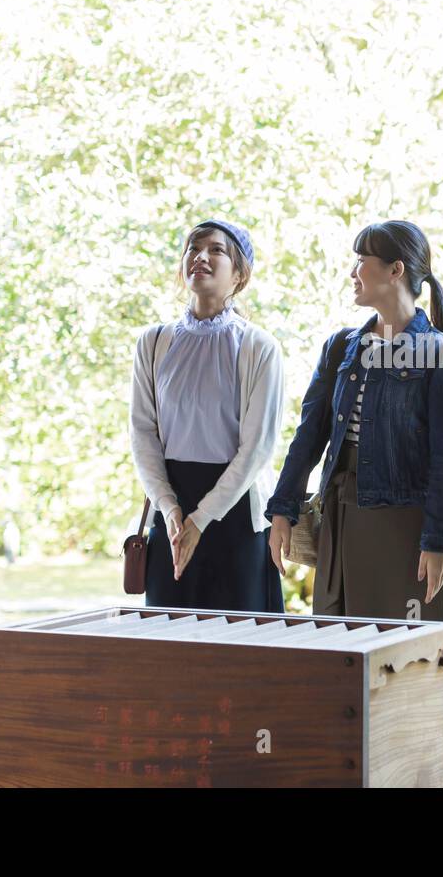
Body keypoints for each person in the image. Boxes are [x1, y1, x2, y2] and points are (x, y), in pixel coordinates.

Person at [265, 220, 443, 622]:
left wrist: (439, 542)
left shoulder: (441, 353)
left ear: (396, 270)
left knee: (405, 656)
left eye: (361, 261)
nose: (352, 272)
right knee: (338, 652)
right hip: (340, 519)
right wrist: (282, 510)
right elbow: (309, 435)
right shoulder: (341, 345)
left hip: (404, 527)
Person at [129, 218, 285, 613]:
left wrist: (202, 518)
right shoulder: (153, 342)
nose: (201, 256)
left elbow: (258, 448)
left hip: (235, 512)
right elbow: (142, 433)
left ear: (239, 275)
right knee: (169, 642)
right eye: (193, 249)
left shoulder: (258, 347)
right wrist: (170, 508)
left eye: (216, 250)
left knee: (240, 650)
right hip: (172, 510)